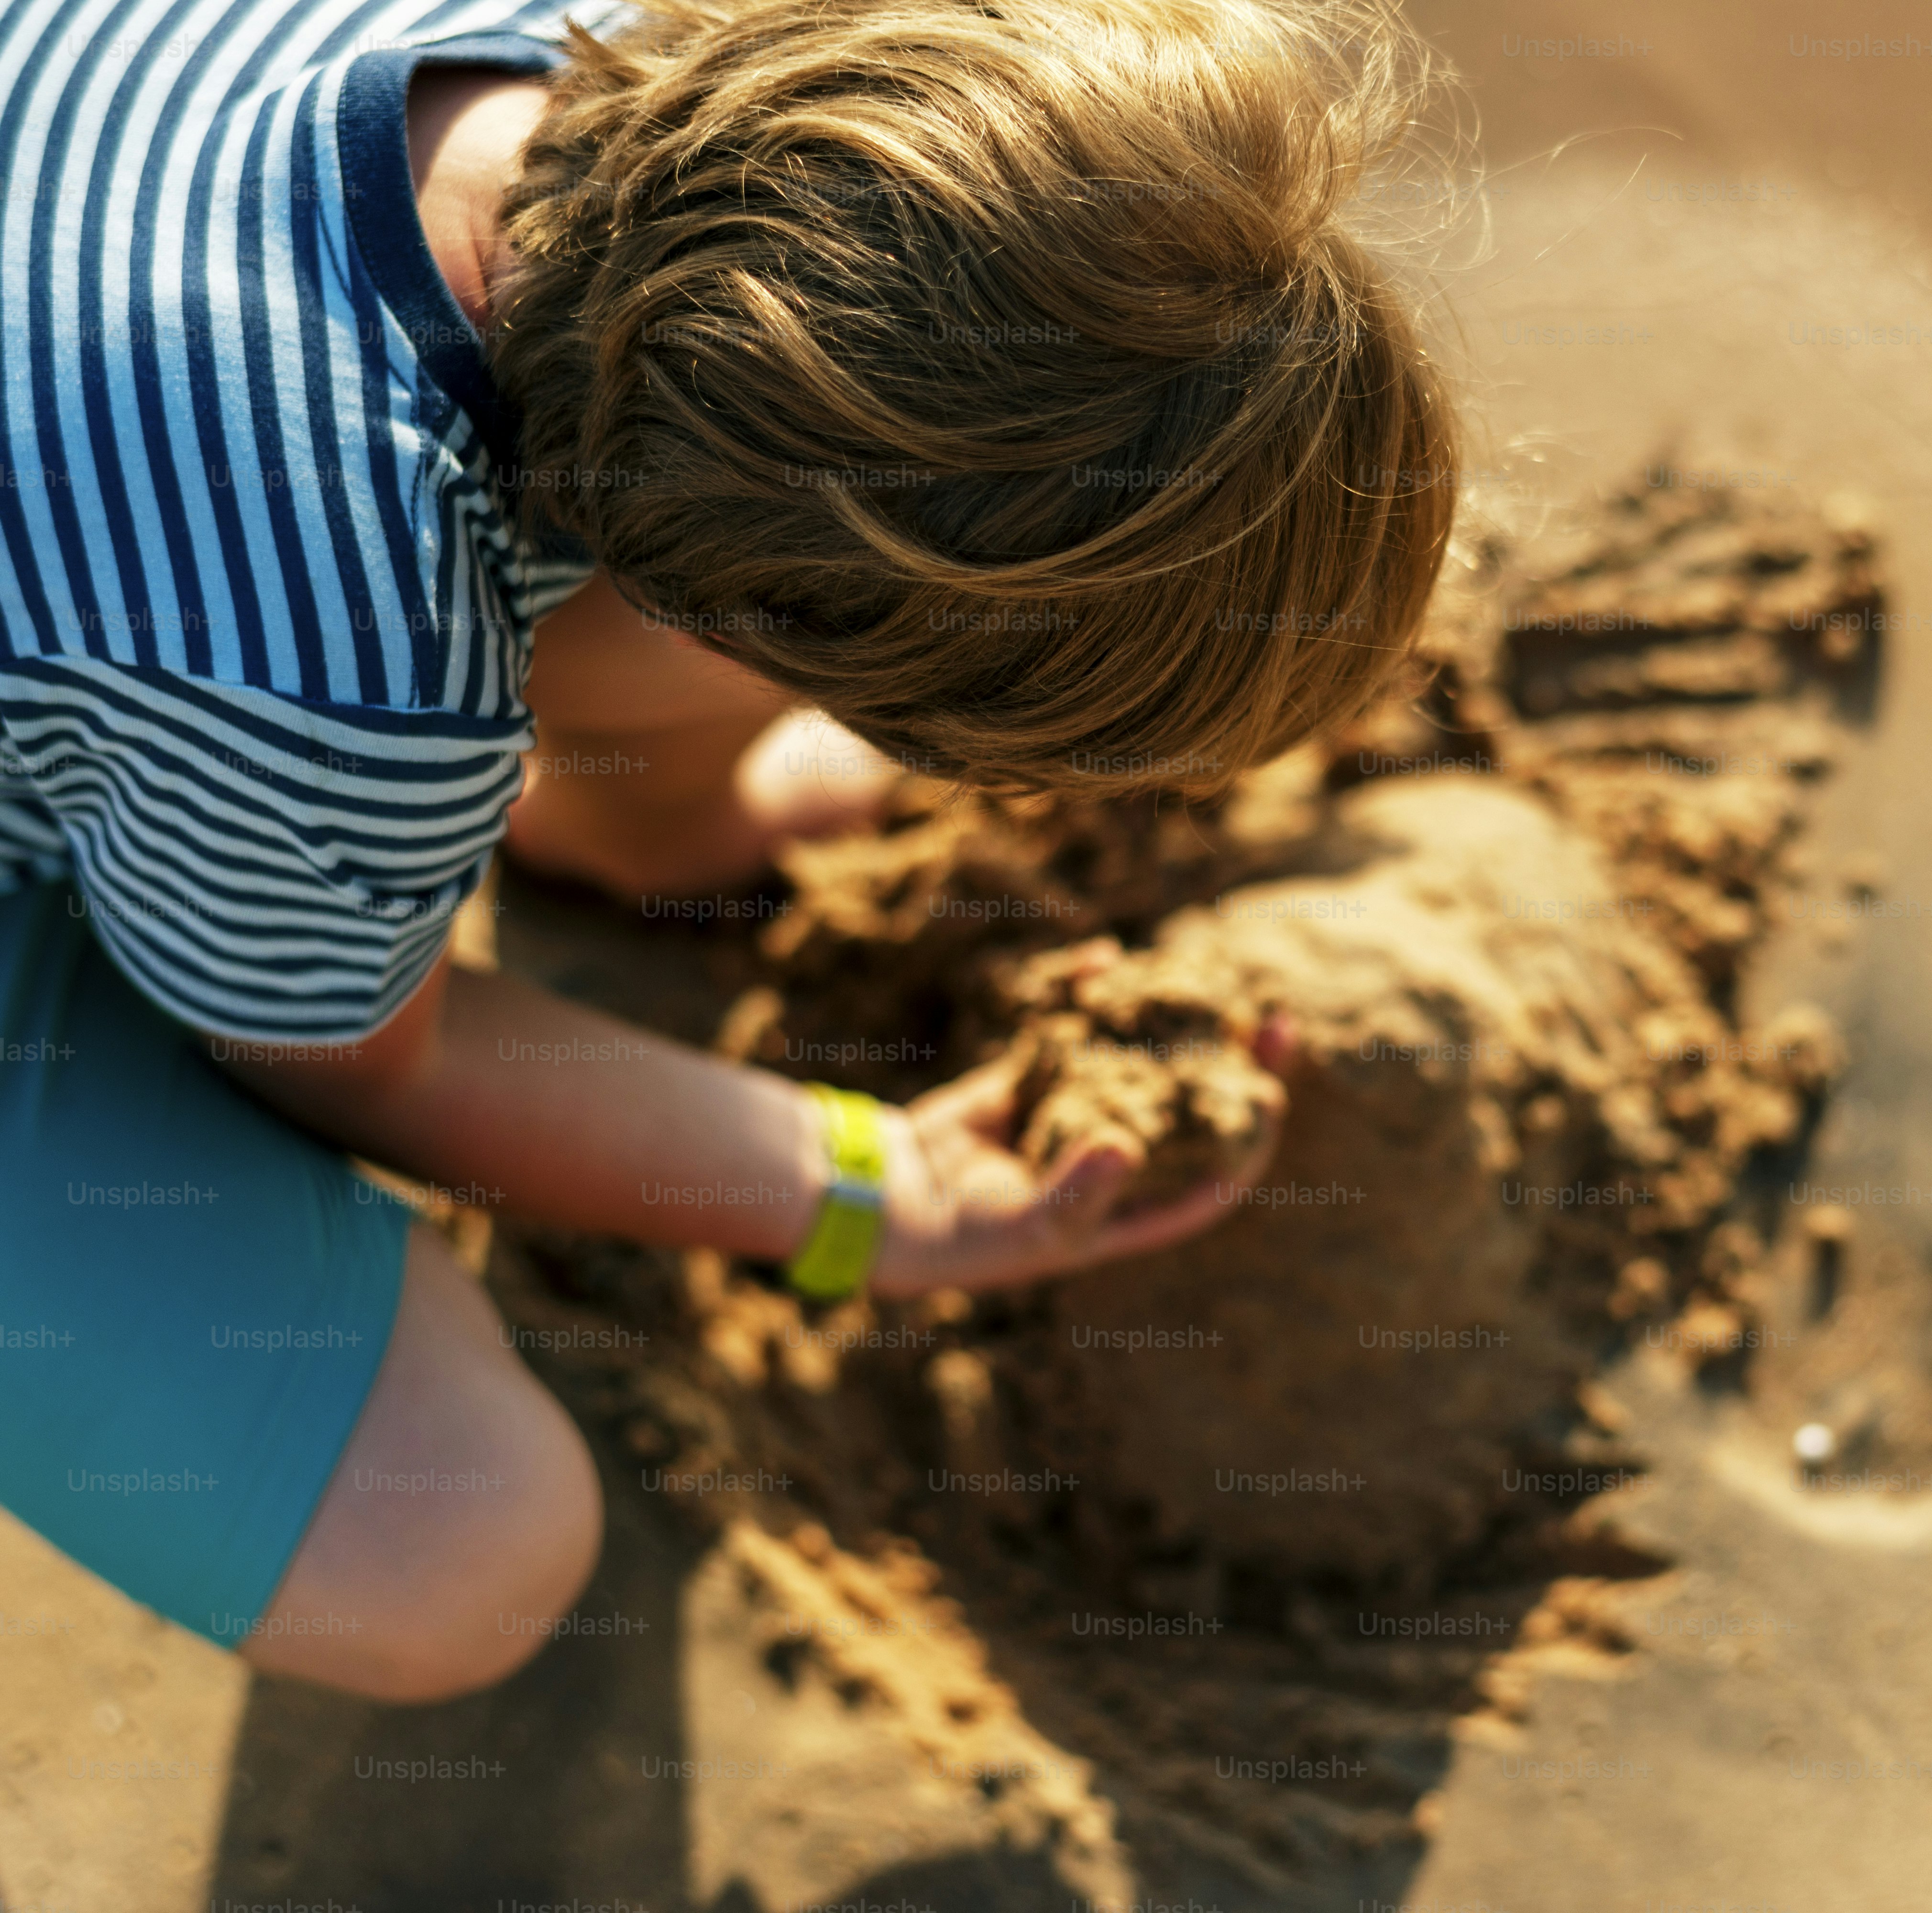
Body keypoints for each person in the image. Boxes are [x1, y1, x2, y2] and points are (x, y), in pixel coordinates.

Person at [0, 0, 1455, 1703]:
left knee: (685, 497)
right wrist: (871, 1196)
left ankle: (596, 828)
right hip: (191, 649)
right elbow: (340, 1069)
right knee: (450, 1545)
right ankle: (206, 872)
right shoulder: (343, 670)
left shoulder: (632, 75)